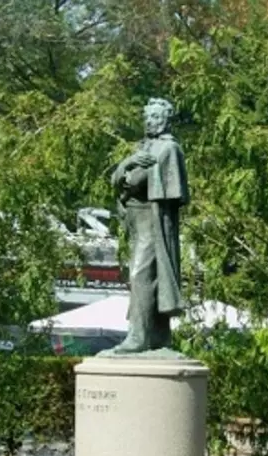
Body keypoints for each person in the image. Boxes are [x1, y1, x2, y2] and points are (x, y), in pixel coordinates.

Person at [101, 98, 190, 354]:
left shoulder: (165, 149)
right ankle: (158, 338)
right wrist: (125, 164)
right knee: (151, 276)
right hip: (139, 221)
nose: (148, 121)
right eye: (147, 116)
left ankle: (139, 338)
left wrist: (125, 171)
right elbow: (117, 178)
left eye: (154, 116)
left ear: (165, 120)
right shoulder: (145, 148)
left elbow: (131, 183)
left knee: (141, 275)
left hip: (152, 223)